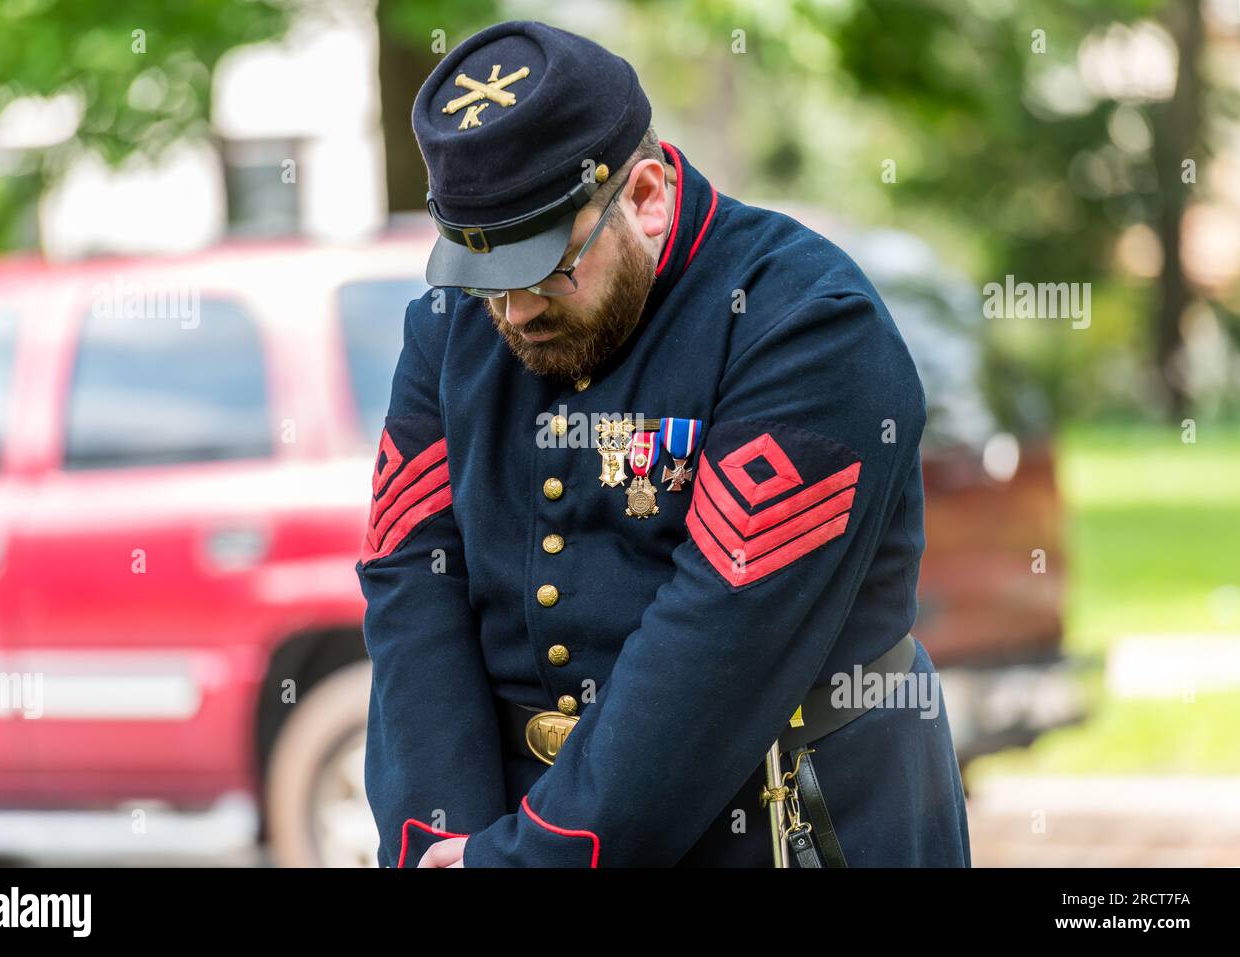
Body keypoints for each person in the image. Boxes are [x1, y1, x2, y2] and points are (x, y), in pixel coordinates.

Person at [355, 19, 971, 868]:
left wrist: (533, 860)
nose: (512, 314)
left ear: (644, 196)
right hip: (507, 830)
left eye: (543, 270)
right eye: (481, 275)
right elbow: (411, 577)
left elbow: (718, 643)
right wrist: (442, 838)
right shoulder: (454, 321)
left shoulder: (813, 327)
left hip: (788, 824)